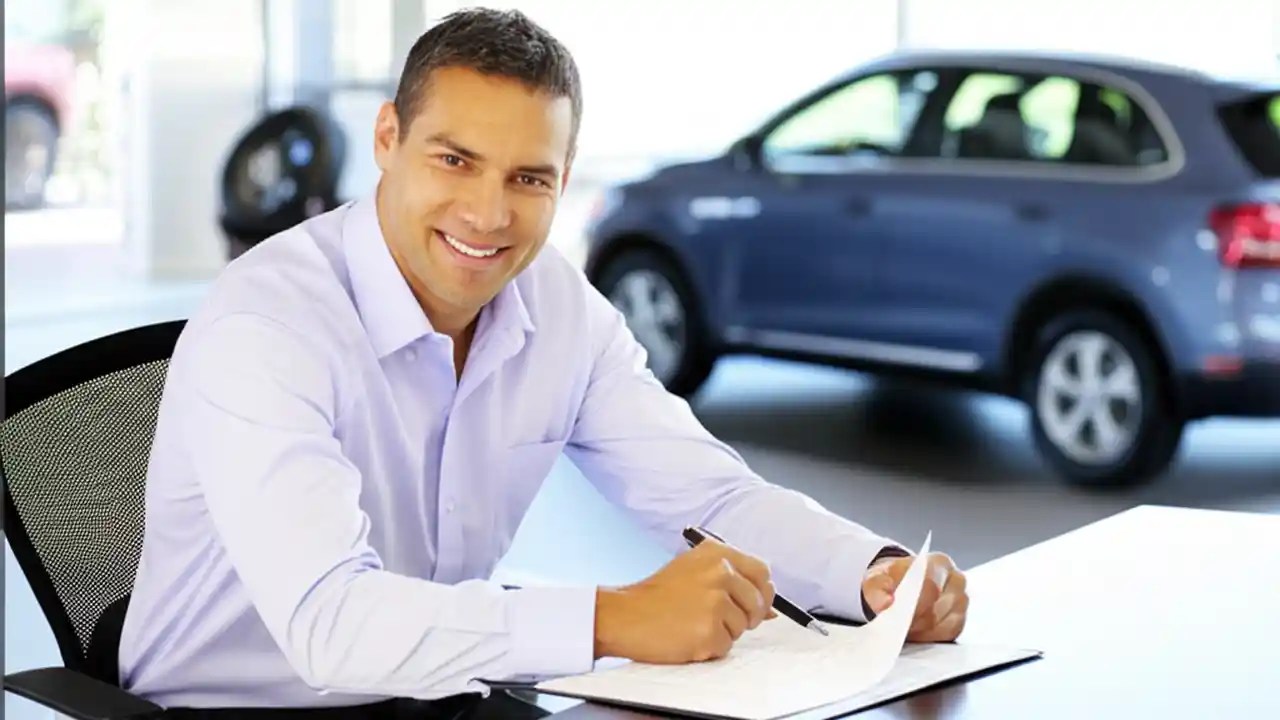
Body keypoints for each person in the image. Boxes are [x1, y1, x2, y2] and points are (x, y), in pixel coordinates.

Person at [118, 7, 968, 715]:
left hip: (438, 695)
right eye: (454, 160)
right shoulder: (269, 322)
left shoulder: (558, 308)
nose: (488, 215)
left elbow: (709, 495)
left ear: (565, 180)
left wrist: (873, 578)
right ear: (387, 138)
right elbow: (330, 624)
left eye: (530, 179)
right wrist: (613, 619)